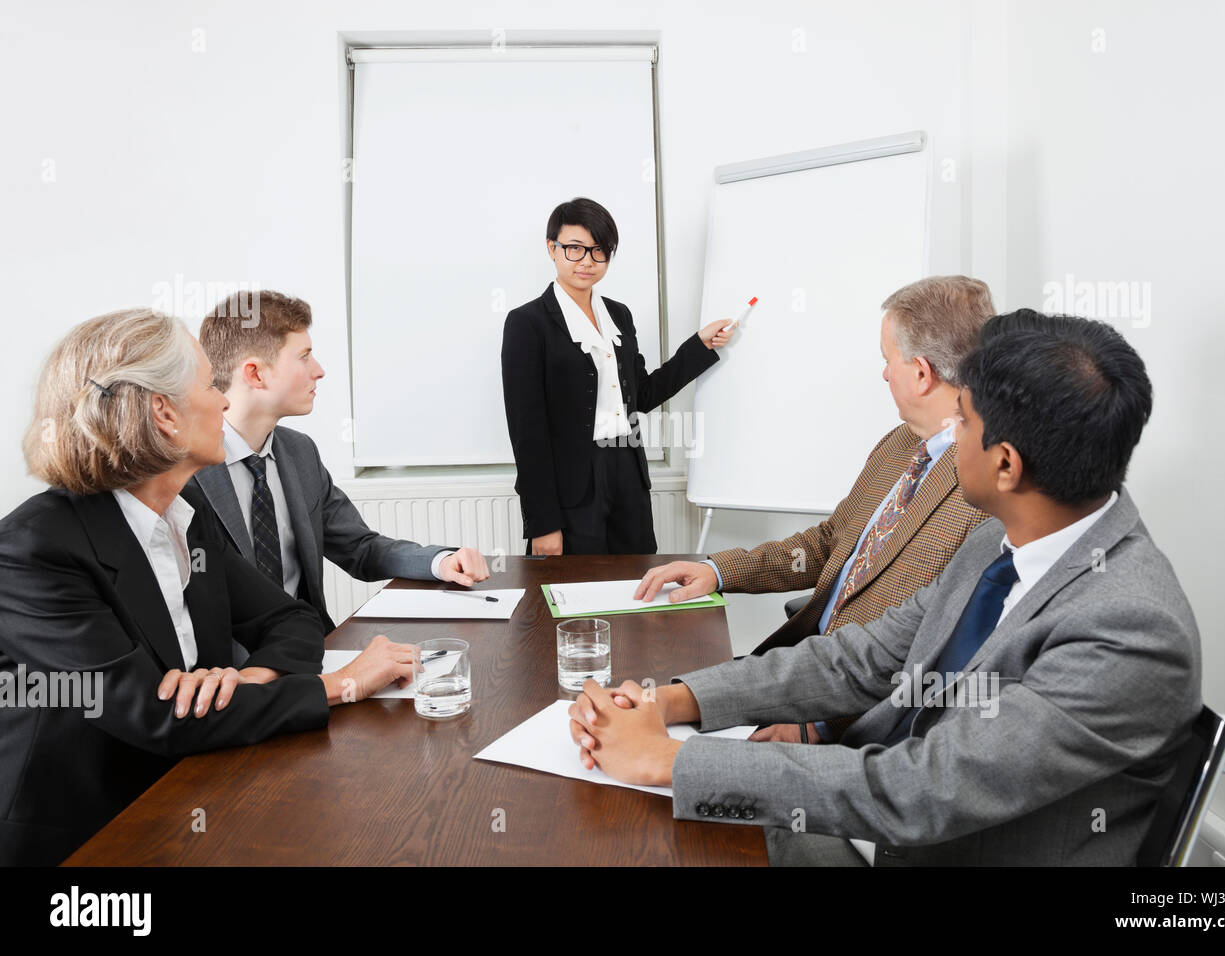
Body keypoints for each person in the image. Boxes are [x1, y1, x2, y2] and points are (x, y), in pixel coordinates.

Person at [568, 310, 1203, 866]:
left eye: (964, 421)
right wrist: (674, 702)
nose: (949, 436)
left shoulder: (1130, 627)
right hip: (888, 820)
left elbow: (922, 790)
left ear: (1006, 464)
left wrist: (672, 762)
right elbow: (859, 658)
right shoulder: (1000, 541)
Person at [0, 309, 415, 866]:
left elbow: (289, 620)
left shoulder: (183, 511)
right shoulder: (33, 549)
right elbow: (155, 715)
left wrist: (245, 678)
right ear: (162, 413)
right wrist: (341, 685)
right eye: (206, 385)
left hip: (195, 788)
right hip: (86, 836)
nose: (223, 400)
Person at [634, 276, 994, 744]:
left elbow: (935, 659)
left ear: (922, 373)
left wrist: (820, 729)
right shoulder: (901, 443)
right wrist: (719, 571)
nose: (884, 374)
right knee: (652, 700)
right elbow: (829, 544)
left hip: (852, 718)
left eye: (888, 361)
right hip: (800, 670)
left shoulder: (984, 492)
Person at [192, 290, 489, 635]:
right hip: (236, 675)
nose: (319, 371)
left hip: (311, 647)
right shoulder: (183, 472)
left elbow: (360, 548)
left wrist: (439, 562)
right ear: (256, 374)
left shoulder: (299, 452)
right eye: (304, 357)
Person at [501, 197, 733, 555]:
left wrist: (698, 346)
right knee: (572, 593)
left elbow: (641, 395)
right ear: (552, 248)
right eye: (575, 249)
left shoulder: (618, 315)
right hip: (571, 486)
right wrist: (543, 522)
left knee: (636, 586)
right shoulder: (527, 323)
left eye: (599, 251)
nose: (587, 262)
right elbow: (527, 433)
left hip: (627, 472)